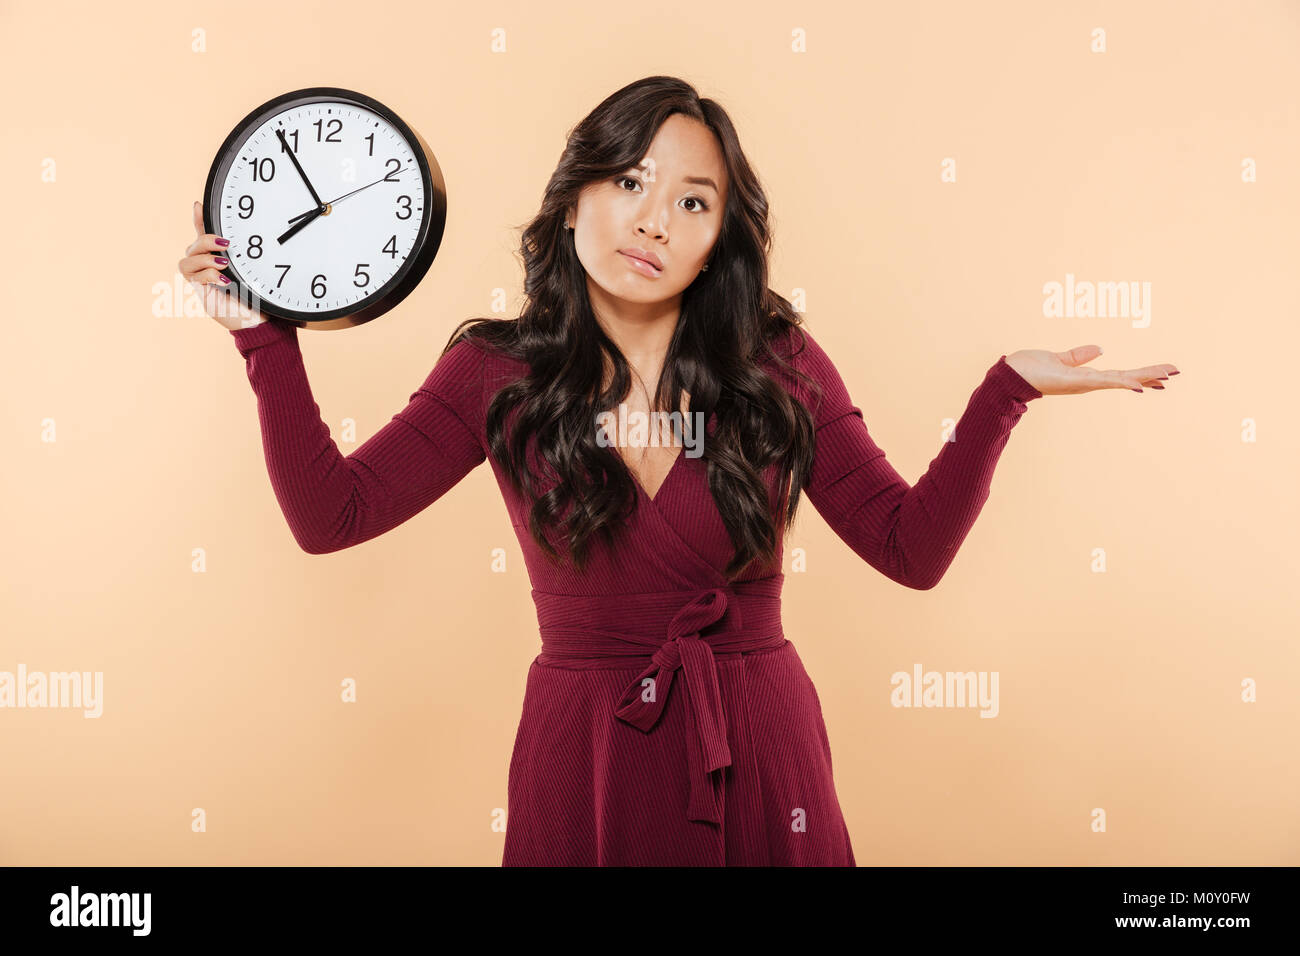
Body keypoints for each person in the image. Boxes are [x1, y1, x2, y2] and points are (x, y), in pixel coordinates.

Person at [177, 76, 1179, 866]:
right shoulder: (496, 369)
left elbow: (908, 549)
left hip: (760, 743)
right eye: (629, 181)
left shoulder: (778, 361)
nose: (653, 220)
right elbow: (331, 513)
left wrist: (1003, 391)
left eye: (691, 201)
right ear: (573, 197)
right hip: (585, 757)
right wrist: (265, 339)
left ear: (715, 244)